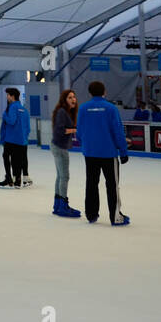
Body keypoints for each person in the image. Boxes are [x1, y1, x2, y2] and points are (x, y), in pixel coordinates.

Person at [77, 80, 129, 226]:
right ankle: (115, 216)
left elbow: (79, 132)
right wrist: (123, 150)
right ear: (104, 92)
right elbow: (118, 131)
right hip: (108, 153)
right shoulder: (111, 108)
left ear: (90, 92)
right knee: (112, 185)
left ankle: (91, 214)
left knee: (91, 183)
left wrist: (87, 144)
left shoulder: (83, 108)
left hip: (90, 153)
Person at [50, 90, 81, 218]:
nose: (73, 99)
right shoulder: (62, 112)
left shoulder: (66, 112)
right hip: (60, 147)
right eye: (70, 97)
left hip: (58, 146)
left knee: (60, 176)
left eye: (74, 97)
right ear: (64, 99)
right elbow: (60, 130)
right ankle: (62, 205)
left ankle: (58, 205)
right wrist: (75, 129)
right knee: (65, 176)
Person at [0, 88, 30, 188]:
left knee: (6, 158)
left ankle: (9, 178)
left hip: (10, 139)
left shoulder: (12, 107)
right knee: (17, 160)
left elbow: (11, 121)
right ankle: (17, 180)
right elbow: (28, 127)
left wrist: (4, 115)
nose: (7, 97)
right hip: (21, 140)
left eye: (8, 95)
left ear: (12, 96)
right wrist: (23, 137)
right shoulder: (24, 109)